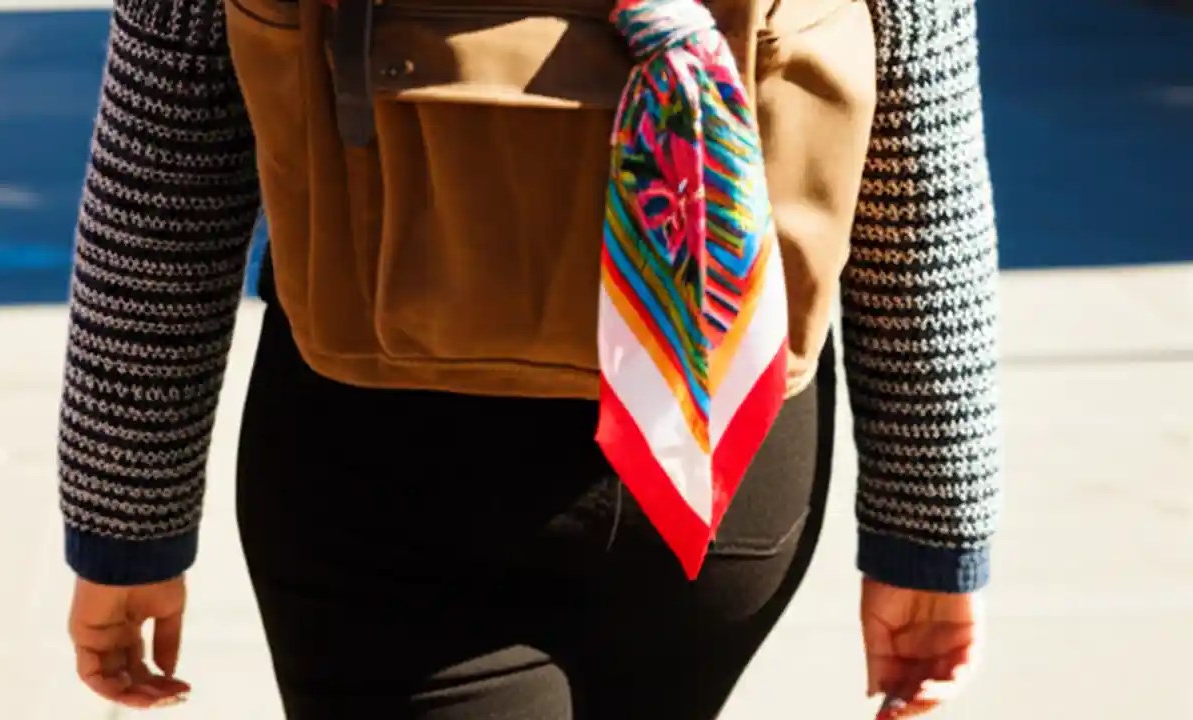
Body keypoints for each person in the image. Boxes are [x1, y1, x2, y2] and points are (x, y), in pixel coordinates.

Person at [59, 0, 1000, 718]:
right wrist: (933, 529)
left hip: (379, 459)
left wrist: (125, 517)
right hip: (708, 432)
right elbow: (920, 142)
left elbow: (171, 131)